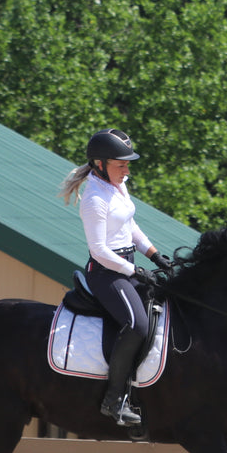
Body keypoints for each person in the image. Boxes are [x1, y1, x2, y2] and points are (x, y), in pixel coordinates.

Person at [61, 129, 172, 426]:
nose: (127, 170)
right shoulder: (95, 199)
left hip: (129, 265)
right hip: (107, 274)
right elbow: (99, 251)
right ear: (99, 164)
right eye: (120, 164)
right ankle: (113, 399)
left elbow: (130, 225)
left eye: (127, 164)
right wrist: (135, 271)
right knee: (136, 325)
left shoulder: (117, 186)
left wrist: (155, 255)